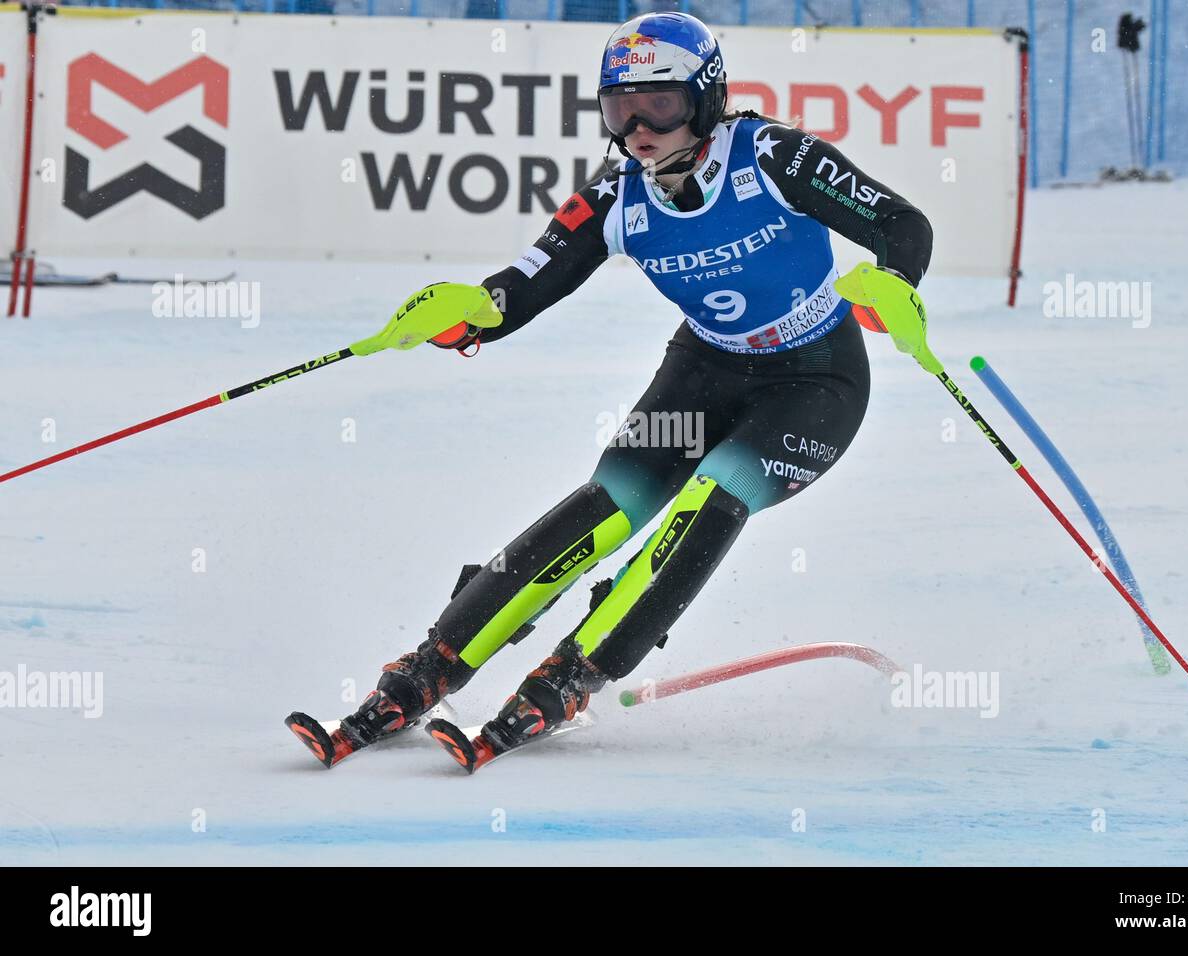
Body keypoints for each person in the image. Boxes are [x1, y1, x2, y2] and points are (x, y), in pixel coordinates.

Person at [289, 11, 933, 772]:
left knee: (712, 498)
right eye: (619, 108)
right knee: (608, 504)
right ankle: (428, 668)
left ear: (706, 97)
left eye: (657, 105)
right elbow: (523, 287)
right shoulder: (617, 197)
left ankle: (570, 678)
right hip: (707, 370)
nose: (637, 128)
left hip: (816, 379)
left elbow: (901, 223)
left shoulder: (773, 157)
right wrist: (469, 311)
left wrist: (894, 286)